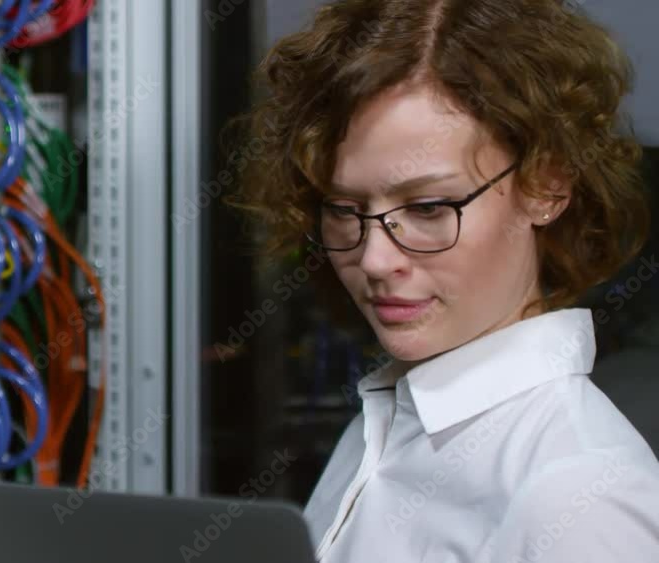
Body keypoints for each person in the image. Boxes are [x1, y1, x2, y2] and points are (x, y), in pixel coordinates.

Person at [229, 0, 659, 561]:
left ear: (546, 185)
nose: (376, 259)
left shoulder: (580, 495)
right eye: (344, 208)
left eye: (429, 207)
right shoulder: (383, 425)